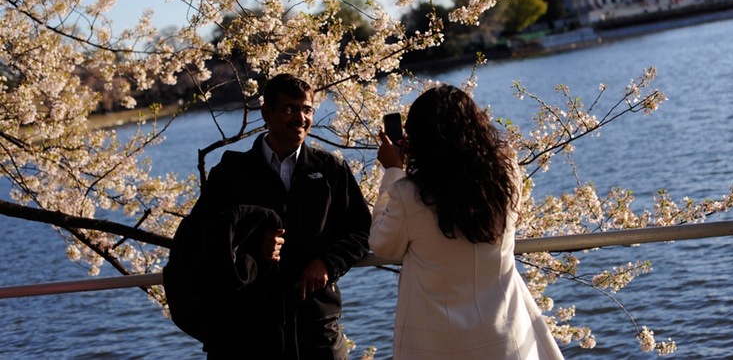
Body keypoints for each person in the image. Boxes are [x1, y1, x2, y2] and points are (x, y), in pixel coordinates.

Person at [165, 73, 371, 359]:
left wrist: (327, 261)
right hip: (250, 327)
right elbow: (199, 241)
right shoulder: (230, 173)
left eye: (307, 109)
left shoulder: (330, 169)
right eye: (289, 109)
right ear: (266, 113)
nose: (300, 118)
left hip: (316, 323)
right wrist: (252, 251)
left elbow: (361, 231)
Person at [369, 84, 564, 360]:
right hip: (506, 334)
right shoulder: (507, 178)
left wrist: (392, 171)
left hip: (439, 343)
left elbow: (382, 246)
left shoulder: (408, 193)